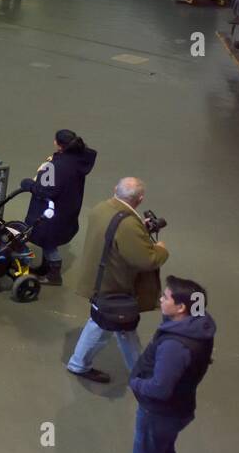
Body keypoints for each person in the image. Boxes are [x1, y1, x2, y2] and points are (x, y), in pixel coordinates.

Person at [65, 177, 169, 383]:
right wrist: (161, 250)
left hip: (97, 279)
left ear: (115, 189)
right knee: (122, 327)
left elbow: (113, 236)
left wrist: (140, 228)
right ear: (140, 199)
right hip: (116, 286)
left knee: (101, 323)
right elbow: (146, 260)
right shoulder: (128, 224)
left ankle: (79, 363)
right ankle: (142, 375)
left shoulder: (101, 208)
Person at [129, 276, 215, 453]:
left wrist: (136, 383)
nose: (160, 299)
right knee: (164, 452)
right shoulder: (197, 326)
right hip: (179, 408)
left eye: (165, 297)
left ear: (181, 307)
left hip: (159, 413)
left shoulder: (174, 346)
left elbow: (160, 388)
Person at [23, 129, 98, 286]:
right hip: (67, 208)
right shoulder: (78, 160)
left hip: (53, 212)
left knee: (49, 241)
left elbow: (45, 190)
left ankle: (54, 275)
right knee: (51, 238)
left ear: (59, 144)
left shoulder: (59, 166)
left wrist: (29, 184)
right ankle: (45, 267)